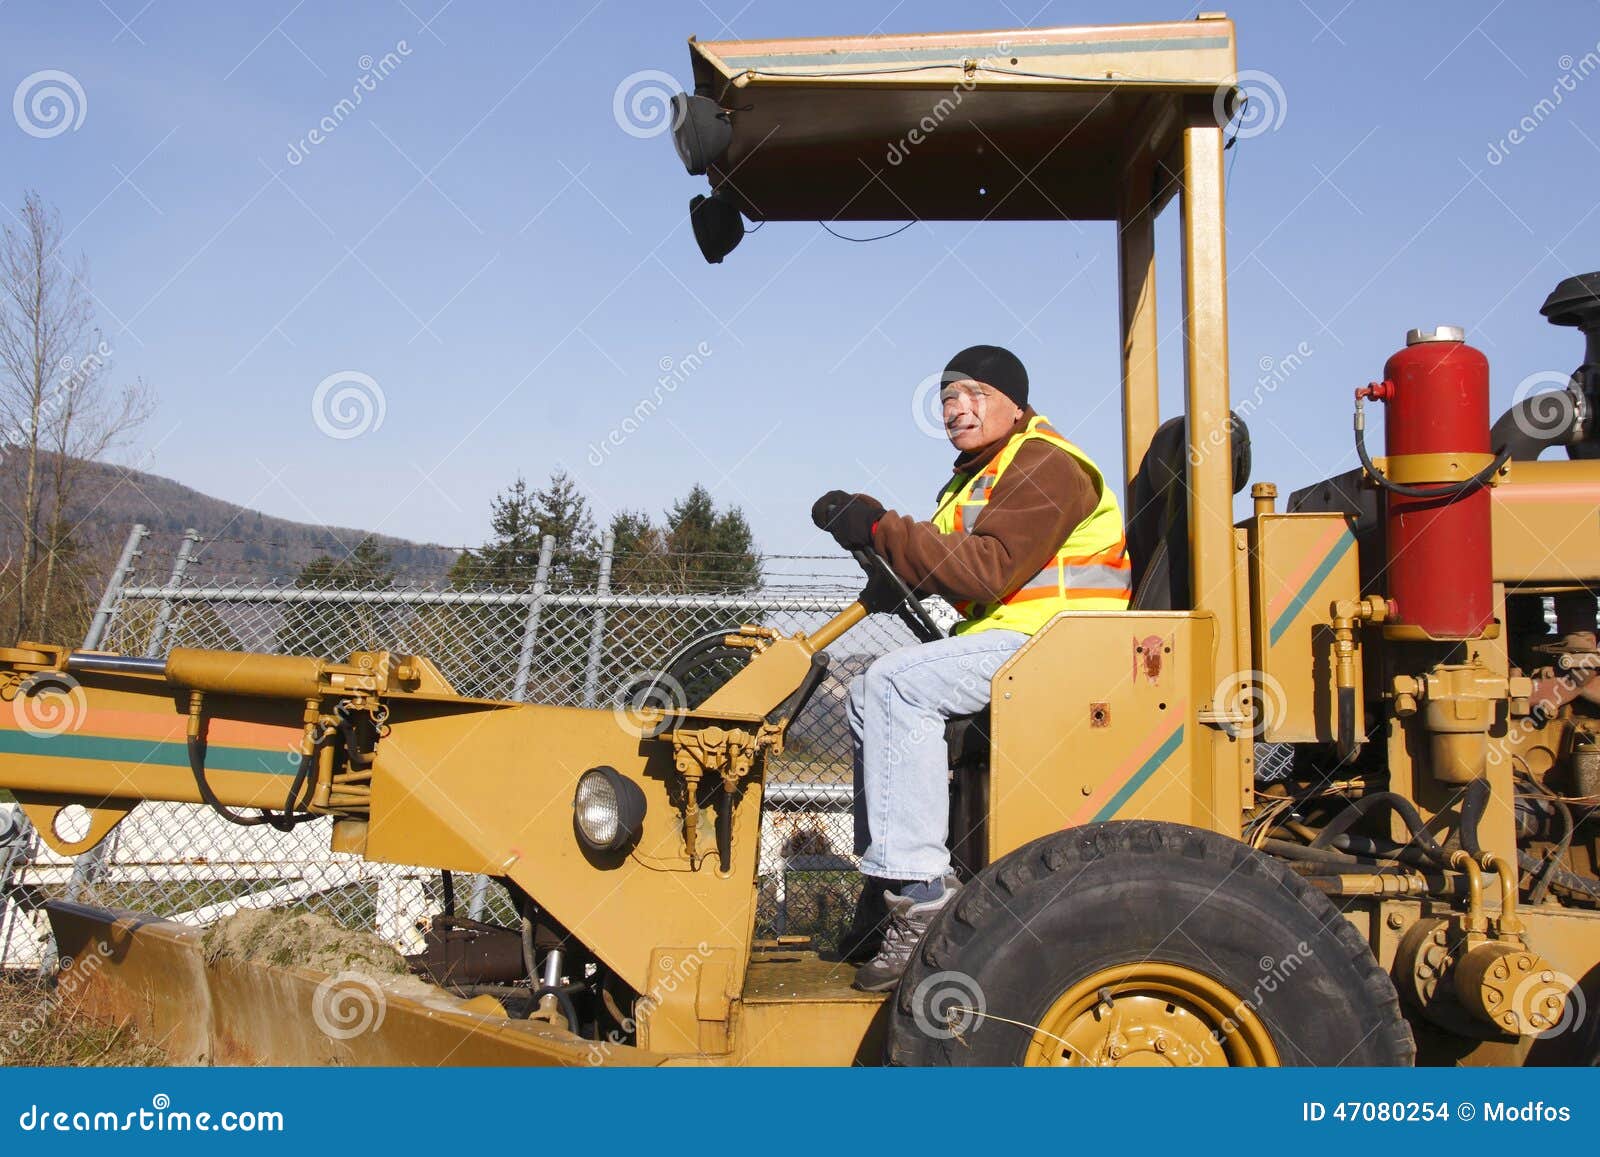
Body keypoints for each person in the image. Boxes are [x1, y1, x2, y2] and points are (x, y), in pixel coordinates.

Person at [811, 344, 1131, 991]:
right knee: (869, 689)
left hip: (1062, 646)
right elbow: (939, 563)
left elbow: (985, 568)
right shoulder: (978, 476)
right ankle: (890, 882)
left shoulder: (1047, 465)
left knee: (898, 681)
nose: (957, 409)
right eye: (948, 400)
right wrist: (877, 535)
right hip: (1020, 642)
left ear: (1016, 404)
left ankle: (926, 901)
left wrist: (882, 528)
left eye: (974, 395)